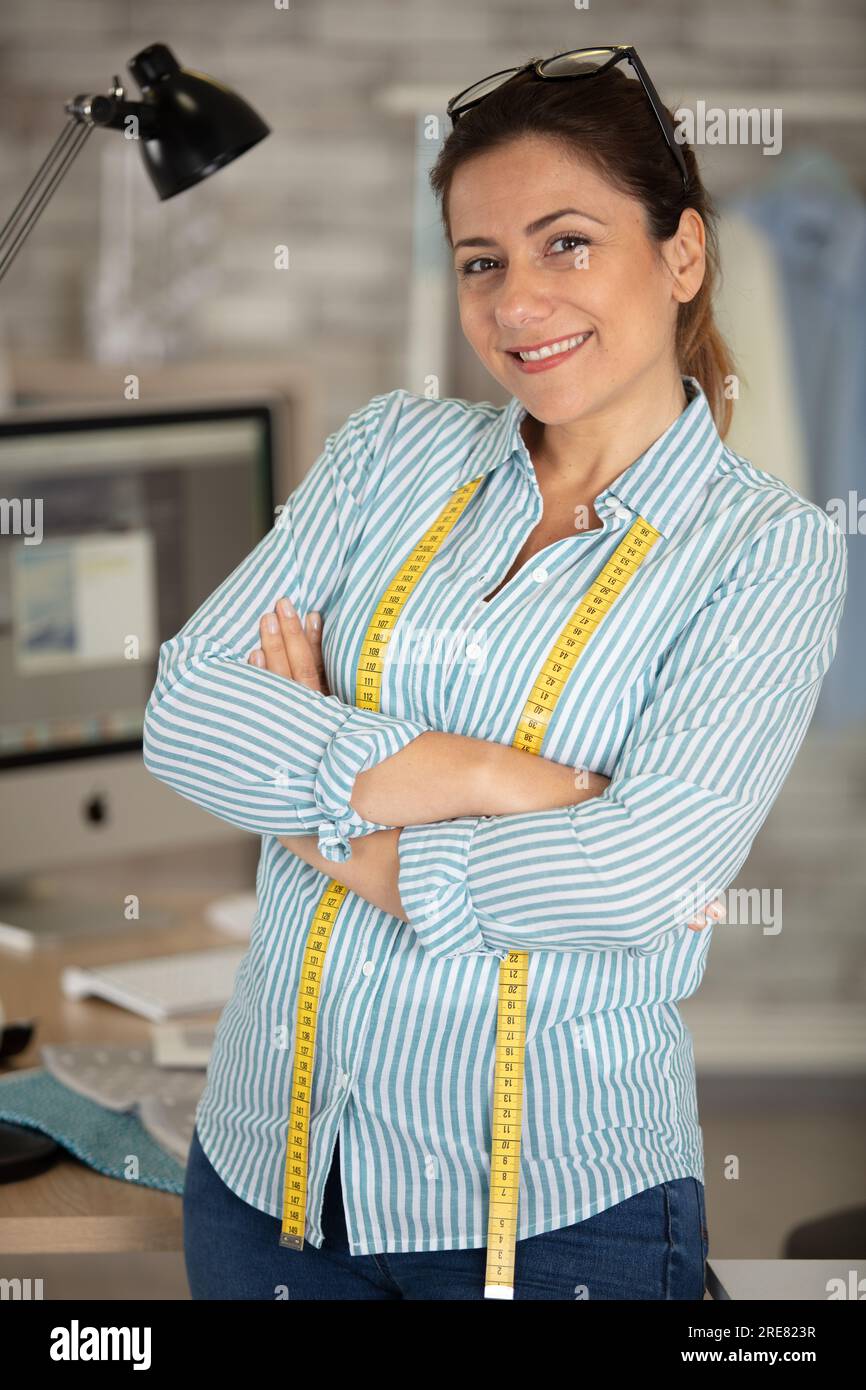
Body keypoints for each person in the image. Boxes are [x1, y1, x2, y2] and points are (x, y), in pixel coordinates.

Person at [143, 50, 847, 1300]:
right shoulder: (386, 451)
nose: (517, 300)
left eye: (565, 243)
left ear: (679, 254)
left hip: (552, 1220)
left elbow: (638, 874)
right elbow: (189, 708)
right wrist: (484, 774)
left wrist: (319, 798)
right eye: (481, 260)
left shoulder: (768, 549)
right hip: (267, 1180)